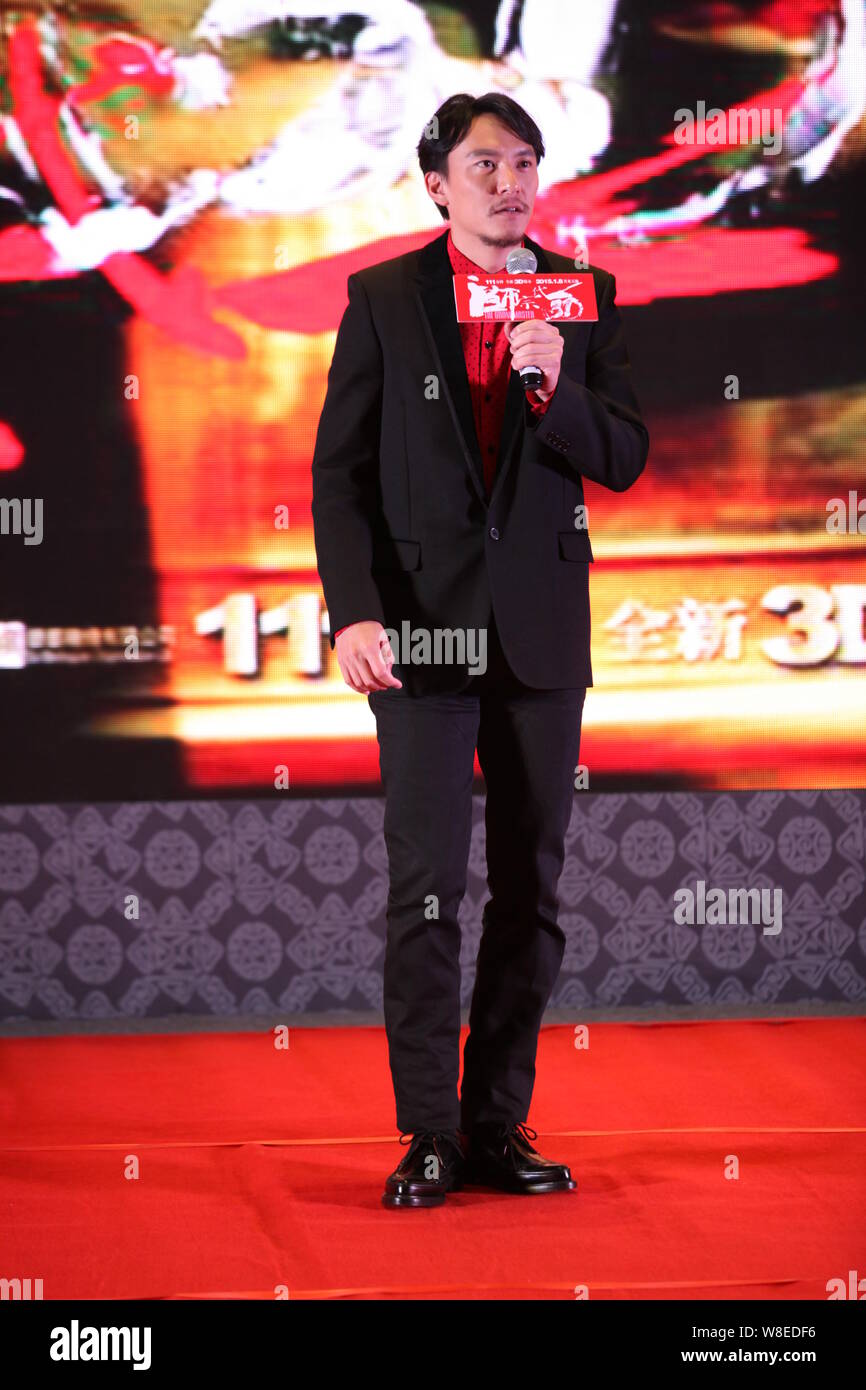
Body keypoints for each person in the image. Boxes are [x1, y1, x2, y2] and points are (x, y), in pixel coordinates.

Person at [311, 92, 649, 1207]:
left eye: (524, 163)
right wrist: (355, 612)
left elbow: (623, 455)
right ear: (437, 186)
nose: (509, 183)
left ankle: (496, 1124)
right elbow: (340, 474)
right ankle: (428, 1134)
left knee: (529, 890)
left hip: (541, 633)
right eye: (484, 165)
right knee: (425, 891)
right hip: (419, 629)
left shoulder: (582, 295)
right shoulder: (382, 297)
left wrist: (557, 386)